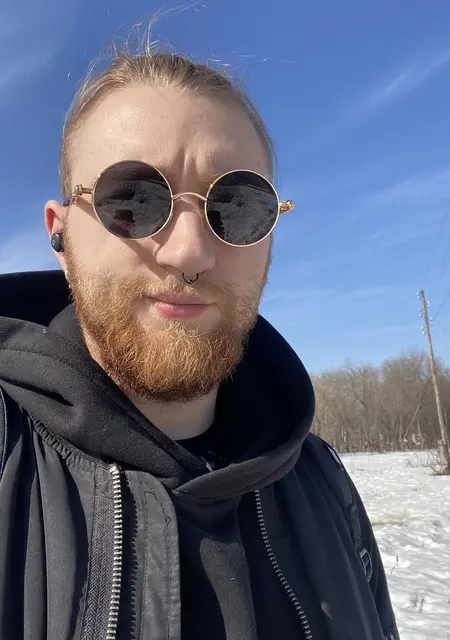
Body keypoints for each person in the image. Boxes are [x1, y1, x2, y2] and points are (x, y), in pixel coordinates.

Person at [0, 38, 400, 640]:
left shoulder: (323, 481)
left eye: (237, 206)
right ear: (62, 236)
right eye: (133, 199)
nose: (189, 251)